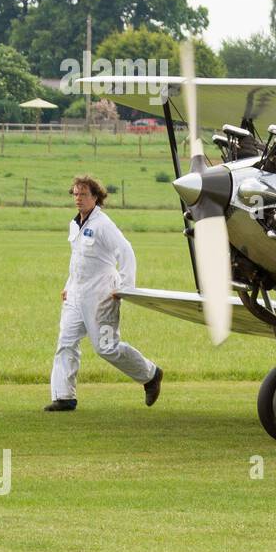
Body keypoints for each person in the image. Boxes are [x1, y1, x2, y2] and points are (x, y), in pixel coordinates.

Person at [46, 175, 162, 412]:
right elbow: (78, 260)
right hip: (76, 295)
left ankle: (151, 375)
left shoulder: (103, 225)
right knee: (65, 342)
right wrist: (68, 286)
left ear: (96, 197)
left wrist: (124, 288)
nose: (78, 199)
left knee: (106, 347)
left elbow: (125, 251)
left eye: (84, 194)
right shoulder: (75, 224)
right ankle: (64, 397)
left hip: (102, 296)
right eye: (75, 194)